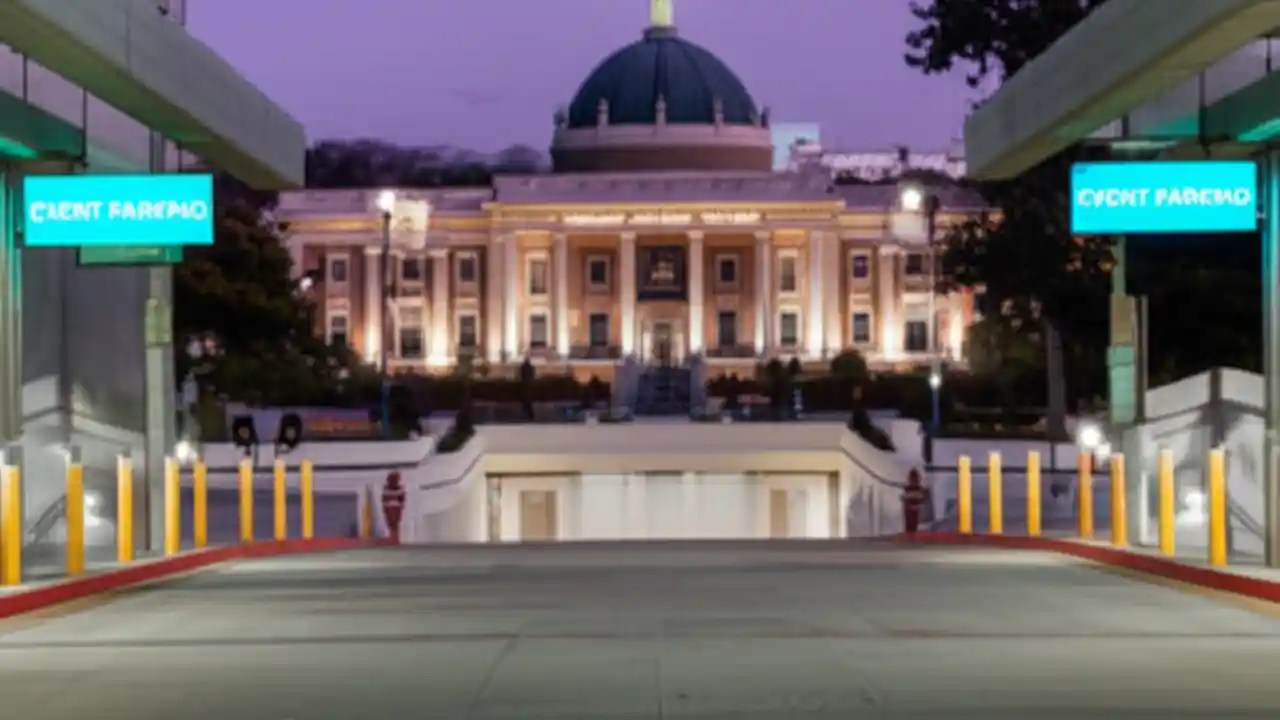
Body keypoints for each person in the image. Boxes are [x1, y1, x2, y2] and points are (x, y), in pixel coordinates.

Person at [901, 469, 928, 534]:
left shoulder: (921, 490)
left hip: (916, 512)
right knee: (909, 526)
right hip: (909, 511)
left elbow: (923, 500)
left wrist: (918, 505)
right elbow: (904, 499)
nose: (914, 481)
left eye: (915, 479)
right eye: (912, 479)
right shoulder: (907, 489)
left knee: (914, 526)